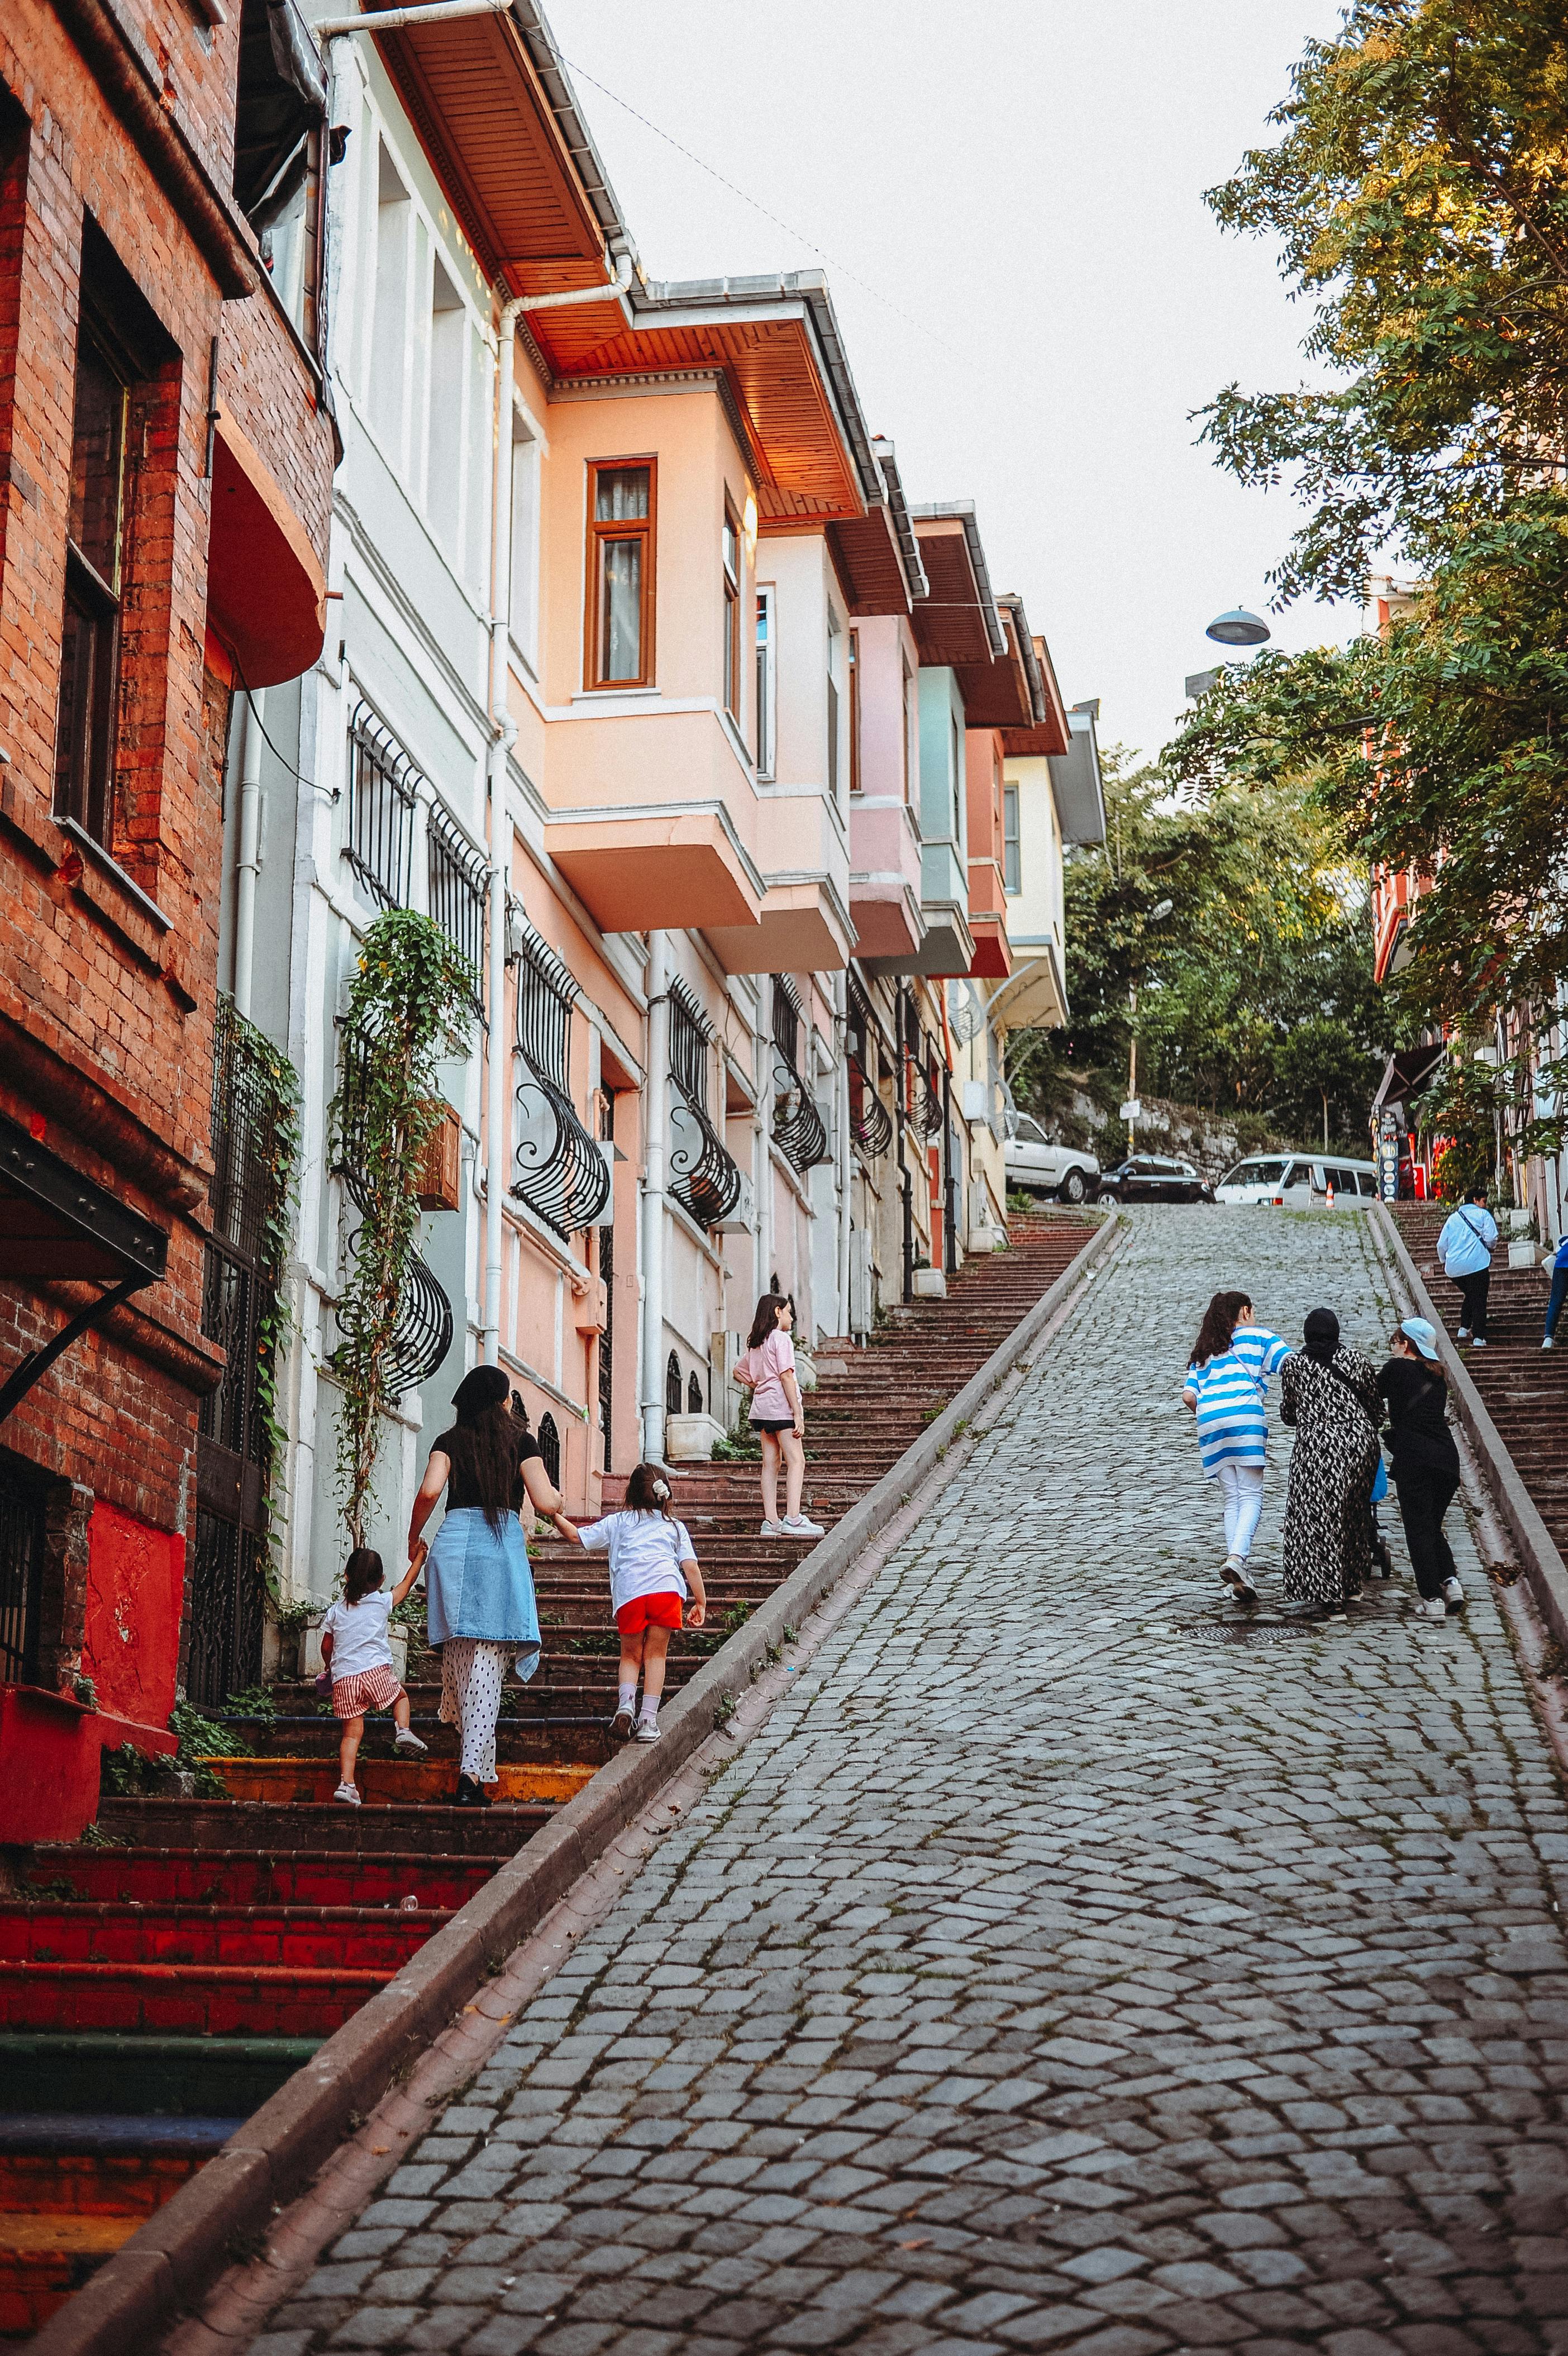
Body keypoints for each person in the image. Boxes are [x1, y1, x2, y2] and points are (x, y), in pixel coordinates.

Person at [408, 1366, 563, 1806]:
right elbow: (546, 1501)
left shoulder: (448, 1441)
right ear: (500, 1401)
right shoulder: (522, 1441)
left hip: (452, 1549)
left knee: (463, 1657)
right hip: (498, 1553)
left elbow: (428, 1493)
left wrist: (412, 1536)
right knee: (487, 1664)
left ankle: (472, 1767)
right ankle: (469, 1777)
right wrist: (562, 1504)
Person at [552, 1463, 707, 1744]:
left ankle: (625, 1706)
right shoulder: (674, 1527)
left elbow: (577, 1536)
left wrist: (552, 1513)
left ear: (631, 1494)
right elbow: (691, 1567)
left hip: (631, 1594)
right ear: (664, 1495)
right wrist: (701, 1602)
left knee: (631, 1656)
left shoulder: (618, 1522)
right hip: (666, 1591)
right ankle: (648, 1721)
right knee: (656, 1656)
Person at [1181, 1289, 1292, 1605]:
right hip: (1245, 1418)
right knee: (1252, 1494)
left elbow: (1189, 1397)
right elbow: (1293, 1367)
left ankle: (1237, 1574)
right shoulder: (1257, 1337)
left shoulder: (1204, 1350)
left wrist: (1210, 1414)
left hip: (1210, 1423)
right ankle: (1237, 1560)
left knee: (1232, 1498)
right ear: (1244, 1312)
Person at [1279, 1306, 1381, 1615]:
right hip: (1359, 1445)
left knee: (1318, 1518)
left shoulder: (1293, 1366)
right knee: (1353, 1512)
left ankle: (1327, 1591)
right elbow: (1375, 1406)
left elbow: (1289, 1413)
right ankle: (1351, 1584)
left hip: (1317, 1448)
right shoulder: (1357, 1361)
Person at [320, 1544, 429, 1806]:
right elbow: (407, 1583)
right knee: (401, 1698)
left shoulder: (335, 1611)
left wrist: (330, 1668)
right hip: (375, 1672)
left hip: (345, 1680)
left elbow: (326, 1647)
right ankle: (403, 1729)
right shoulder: (381, 1602)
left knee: (351, 1734)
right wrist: (421, 1558)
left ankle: (347, 1785)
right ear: (381, 1580)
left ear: (346, 1575)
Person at [1376, 1317, 1465, 1621]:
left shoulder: (1396, 1368)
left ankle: (1431, 1600)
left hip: (1416, 1461)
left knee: (1418, 1529)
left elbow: (1372, 1395)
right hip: (1447, 1460)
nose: (1394, 1347)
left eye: (1396, 1341)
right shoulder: (1436, 1374)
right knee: (1430, 1525)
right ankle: (1451, 1584)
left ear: (1406, 1343)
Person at [733, 1291, 824, 1541]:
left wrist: (757, 1384)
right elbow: (786, 1376)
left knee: (771, 1465)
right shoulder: (781, 1339)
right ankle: (793, 1518)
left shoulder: (757, 1343)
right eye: (789, 1312)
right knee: (797, 1461)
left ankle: (771, 1521)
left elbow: (738, 1371)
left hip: (762, 1410)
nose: (792, 1318)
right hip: (781, 1407)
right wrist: (798, 1413)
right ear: (777, 1312)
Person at [1437, 1184, 1498, 1348]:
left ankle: (1463, 1328)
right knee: (1479, 1299)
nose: (1485, 1205)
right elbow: (1492, 1239)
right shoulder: (1484, 1215)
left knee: (1472, 1294)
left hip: (1455, 1269)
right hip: (1478, 1264)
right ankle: (1478, 1337)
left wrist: (1444, 1261)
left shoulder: (1453, 1218)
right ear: (1475, 1200)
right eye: (1484, 1201)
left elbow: (1442, 1245)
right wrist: (1489, 1246)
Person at [1543, 1231, 1568, 1349]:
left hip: (1561, 1264)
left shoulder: (1565, 1241)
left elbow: (1556, 1251)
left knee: (1555, 1302)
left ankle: (1548, 1339)